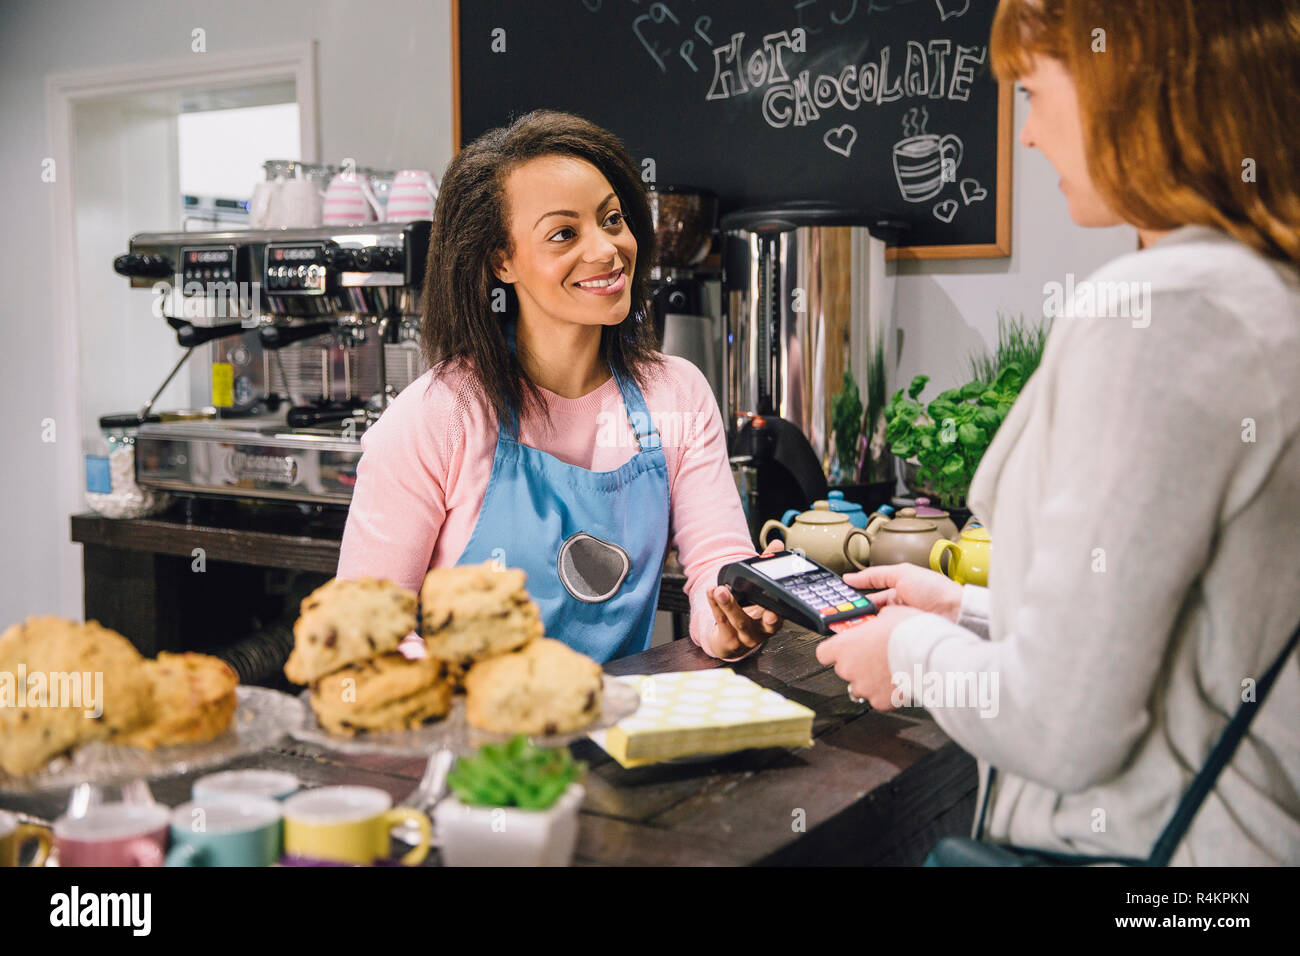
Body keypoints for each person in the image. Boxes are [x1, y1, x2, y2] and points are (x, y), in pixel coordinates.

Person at [816, 0, 1300, 864]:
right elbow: (1179, 631)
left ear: (1137, 85)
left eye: (1037, 92)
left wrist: (912, 652)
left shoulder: (1166, 310)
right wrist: (964, 609)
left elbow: (1063, 724)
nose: (1030, 136)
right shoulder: (1265, 291)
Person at [337, 110, 782, 663]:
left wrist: (733, 615)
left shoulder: (678, 395)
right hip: (471, 738)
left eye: (613, 219)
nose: (605, 250)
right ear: (501, 260)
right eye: (564, 233)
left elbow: (717, 562)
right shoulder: (438, 416)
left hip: (612, 737)